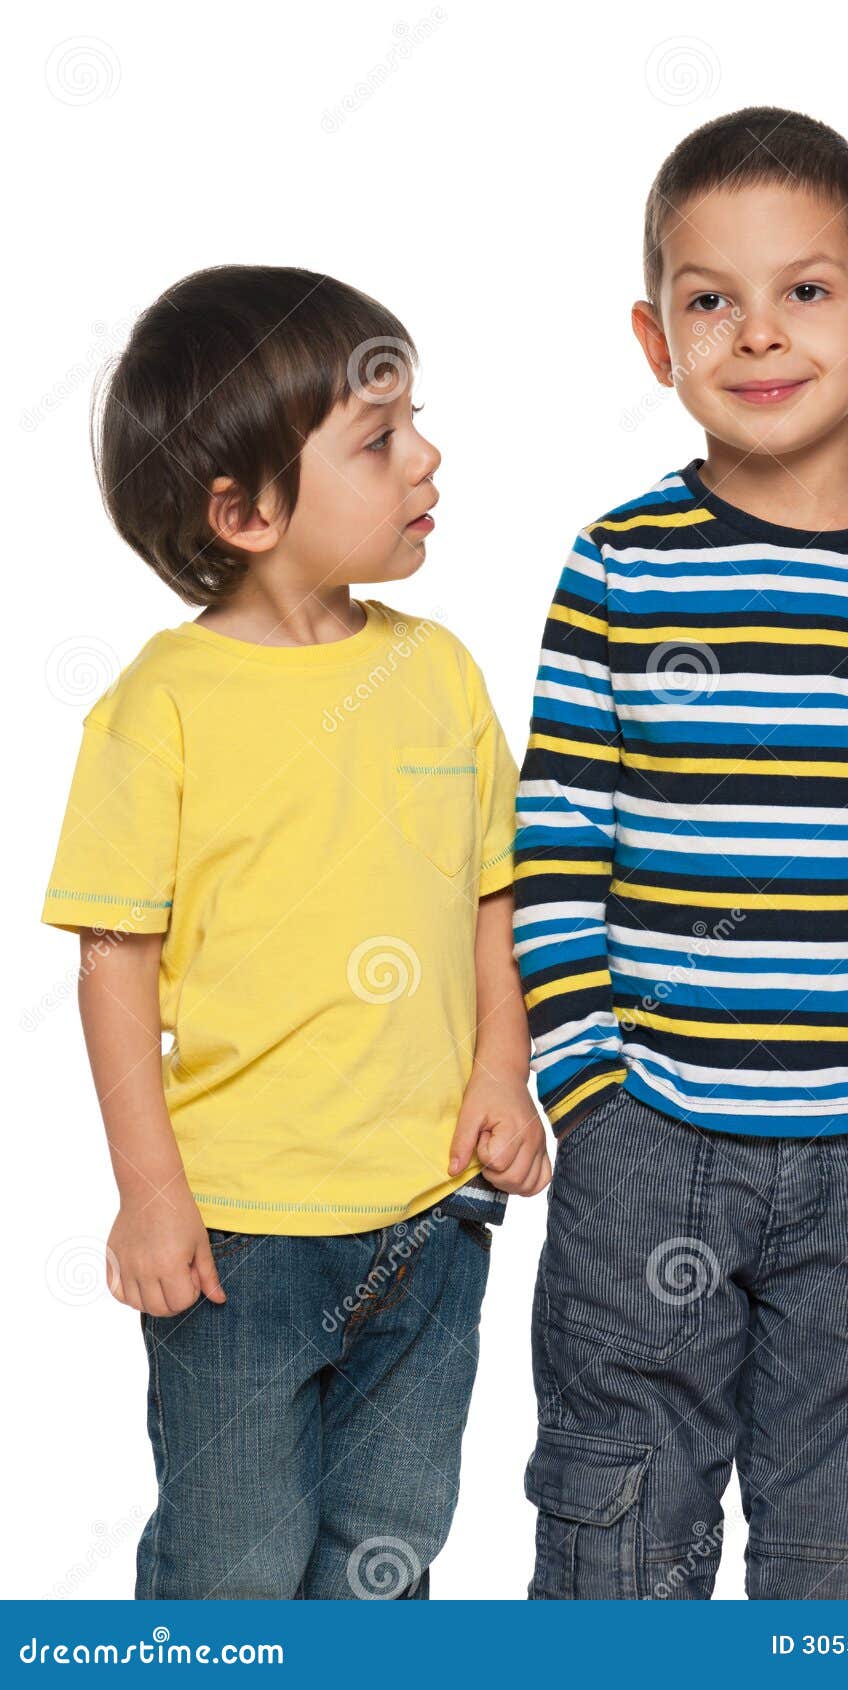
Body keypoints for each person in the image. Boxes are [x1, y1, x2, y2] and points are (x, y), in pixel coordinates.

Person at [513, 108, 848, 1599]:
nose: (757, 333)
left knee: (847, 1517)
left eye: (806, 290)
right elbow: (560, 834)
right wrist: (588, 1083)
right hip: (648, 1133)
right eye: (708, 298)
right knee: (619, 1502)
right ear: (652, 335)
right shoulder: (618, 564)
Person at [41, 265, 548, 1599]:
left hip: (435, 1217)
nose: (425, 455)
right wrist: (150, 1190)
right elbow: (111, 960)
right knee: (237, 1556)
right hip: (239, 1238)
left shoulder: (438, 672)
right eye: (378, 440)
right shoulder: (161, 709)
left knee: (388, 1545)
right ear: (244, 510)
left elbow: (495, 895)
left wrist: (507, 1070)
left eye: (414, 421)